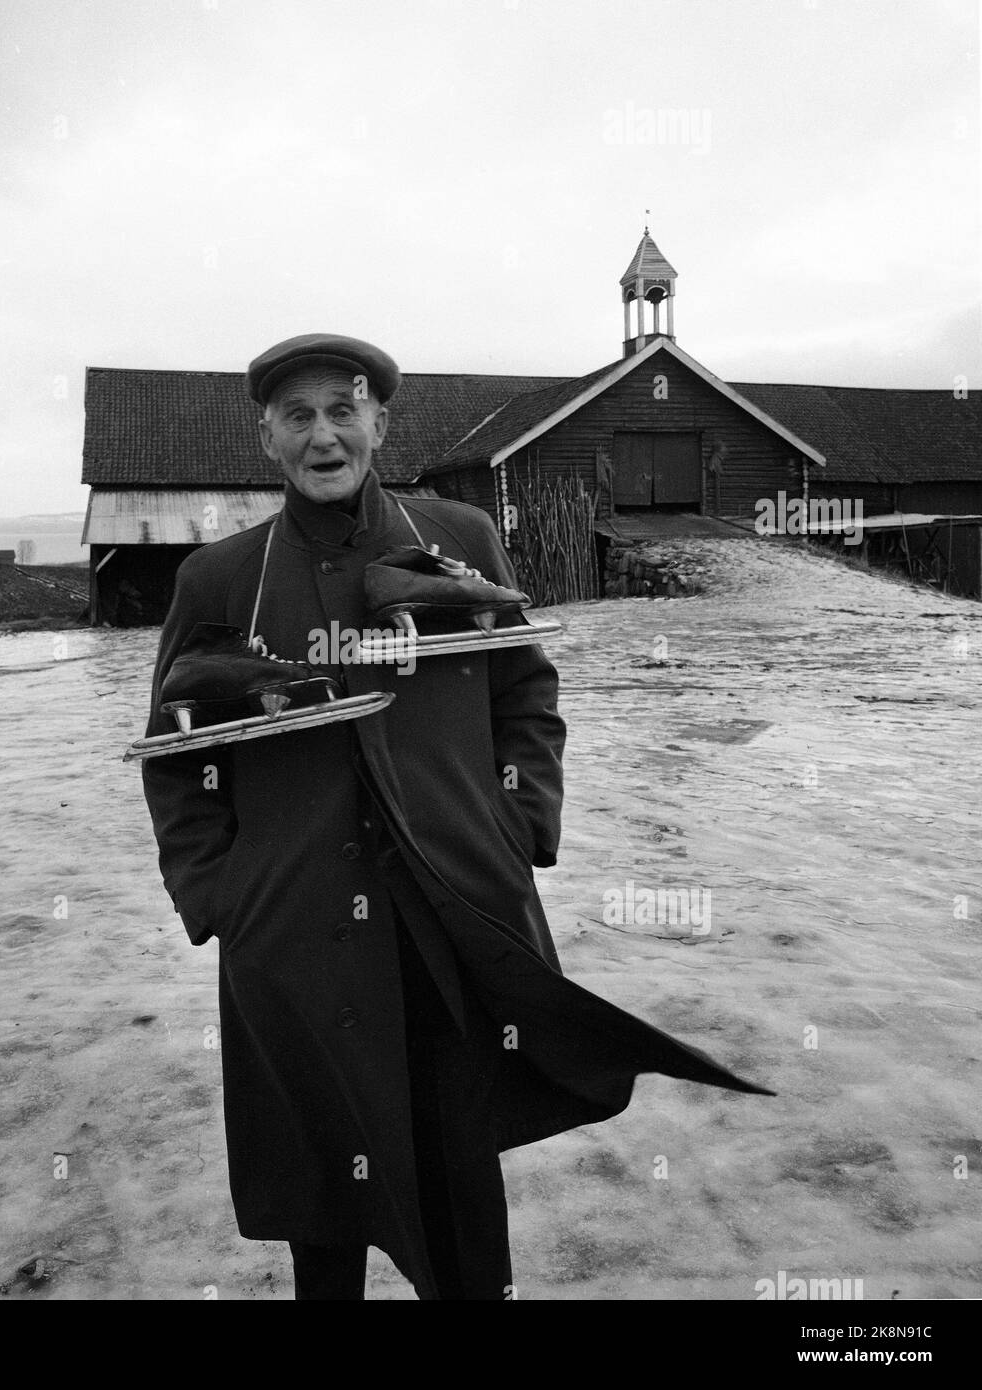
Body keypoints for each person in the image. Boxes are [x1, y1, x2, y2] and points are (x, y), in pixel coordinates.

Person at [141, 333, 770, 1301]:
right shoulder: (219, 584)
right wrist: (222, 892)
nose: (323, 435)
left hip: (445, 927)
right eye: (298, 415)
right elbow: (177, 759)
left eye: (343, 410)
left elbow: (526, 692)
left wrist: (518, 824)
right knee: (325, 1195)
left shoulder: (456, 546)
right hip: (295, 941)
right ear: (265, 435)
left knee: (461, 1180)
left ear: (379, 423)